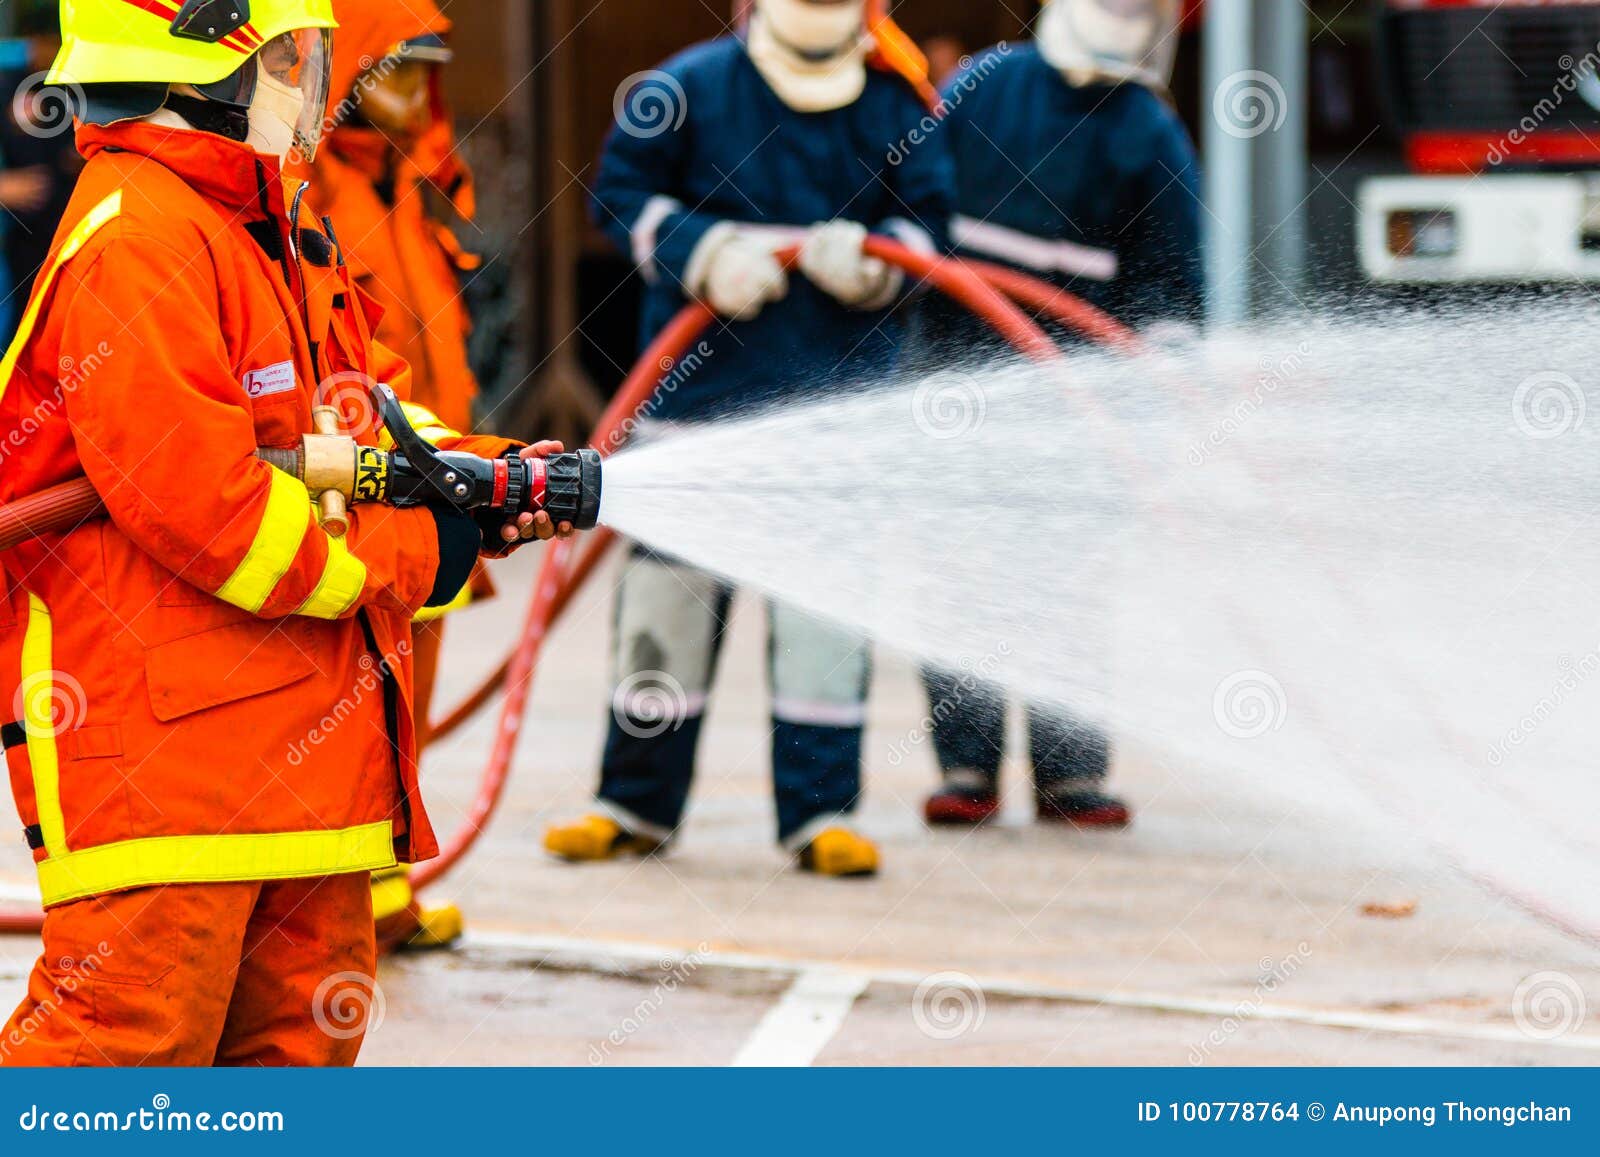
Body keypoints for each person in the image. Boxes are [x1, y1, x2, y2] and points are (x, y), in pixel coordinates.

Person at [0, 0, 566, 1066]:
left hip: (309, 772)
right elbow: (208, 509)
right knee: (122, 1046)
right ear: (215, 63)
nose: (320, 85)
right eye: (301, 55)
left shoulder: (277, 228)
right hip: (170, 770)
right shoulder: (138, 236)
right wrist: (416, 553)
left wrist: (489, 481)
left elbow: (369, 417)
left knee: (297, 1051)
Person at [543, 0, 951, 876]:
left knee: (823, 631)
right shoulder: (687, 88)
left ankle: (819, 815)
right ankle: (632, 804)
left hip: (831, 427)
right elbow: (618, 193)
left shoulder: (896, 104)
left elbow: (934, 226)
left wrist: (883, 261)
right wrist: (698, 250)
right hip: (695, 419)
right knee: (663, 624)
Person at [919, 0, 1201, 828]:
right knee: (962, 576)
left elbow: (1174, 285)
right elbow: (914, 213)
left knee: (1067, 583)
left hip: (1078, 407)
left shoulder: (1146, 132)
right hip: (957, 386)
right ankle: (966, 766)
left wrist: (1160, 397)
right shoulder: (983, 88)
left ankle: (1069, 772)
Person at [295, 0, 495, 951]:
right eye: (397, 72)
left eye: (429, 74)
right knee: (359, 709)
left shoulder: (398, 186)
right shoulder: (317, 195)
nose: (419, 95)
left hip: (427, 474)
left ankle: (383, 891)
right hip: (372, 489)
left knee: (402, 706)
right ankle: (362, 902)